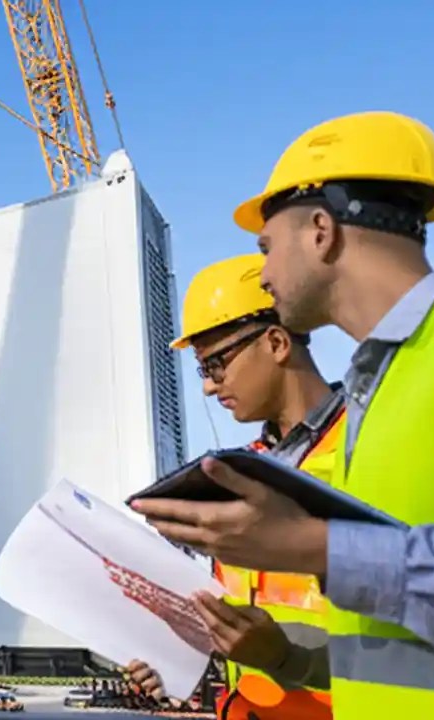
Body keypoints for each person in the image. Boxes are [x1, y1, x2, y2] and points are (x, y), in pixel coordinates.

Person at [132, 110, 434, 717]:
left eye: (265, 247)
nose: (262, 274)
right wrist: (267, 657)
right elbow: (407, 659)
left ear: (321, 230)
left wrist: (320, 547)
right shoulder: (385, 391)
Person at [125, 254, 340, 720]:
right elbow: (240, 632)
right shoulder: (237, 475)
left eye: (215, 364)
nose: (207, 387)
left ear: (277, 342)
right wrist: (180, 664)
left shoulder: (372, 448)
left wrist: (287, 658)